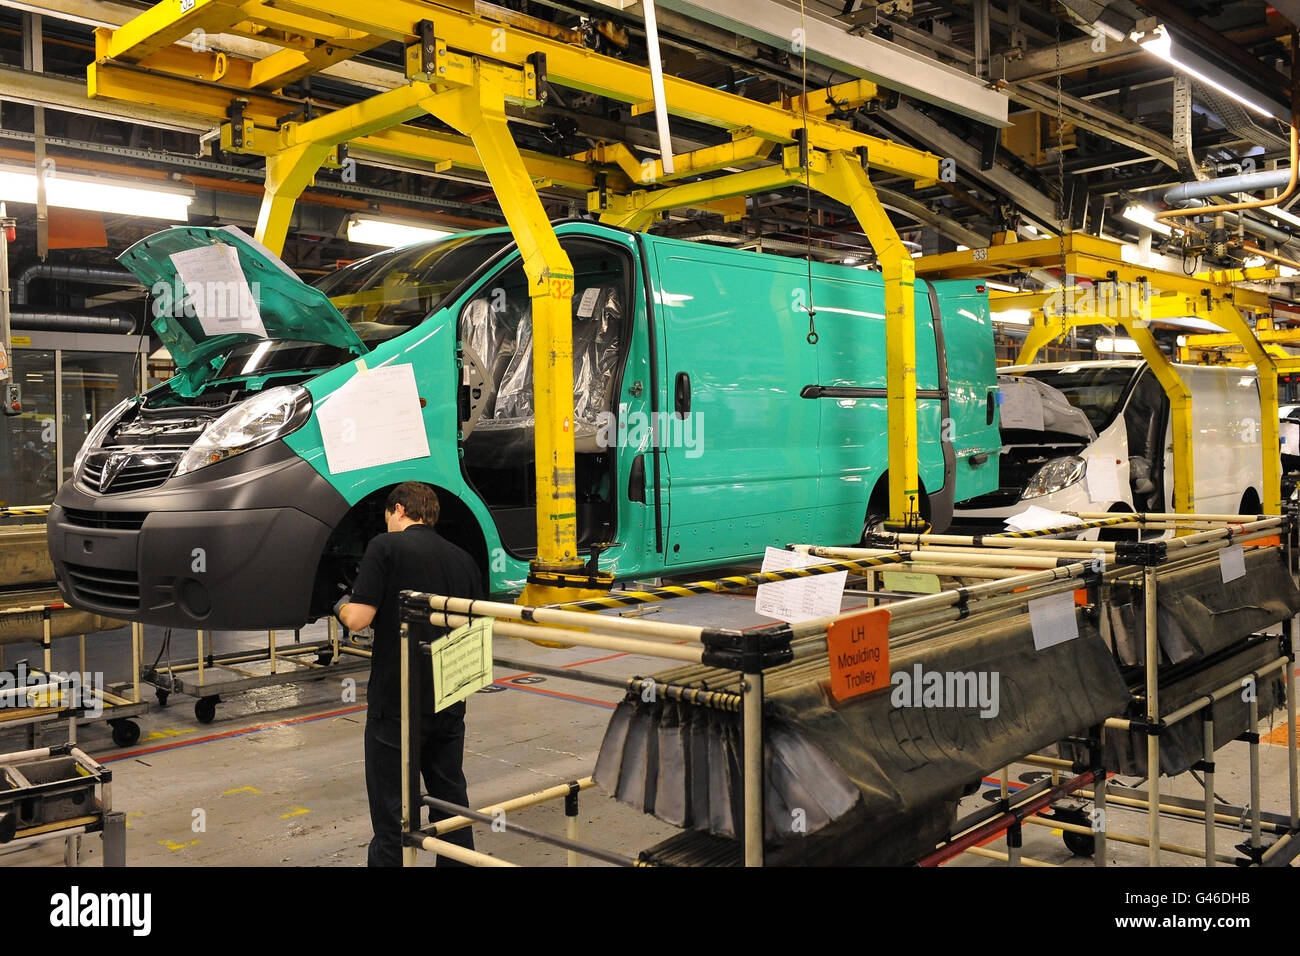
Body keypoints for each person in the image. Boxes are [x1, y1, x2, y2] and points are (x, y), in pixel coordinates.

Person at [335, 481, 484, 867]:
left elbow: (358, 618)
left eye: (387, 517)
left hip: (397, 701)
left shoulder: (385, 547)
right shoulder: (464, 558)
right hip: (449, 695)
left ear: (398, 510)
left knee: (392, 815)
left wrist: (337, 601)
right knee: (451, 804)